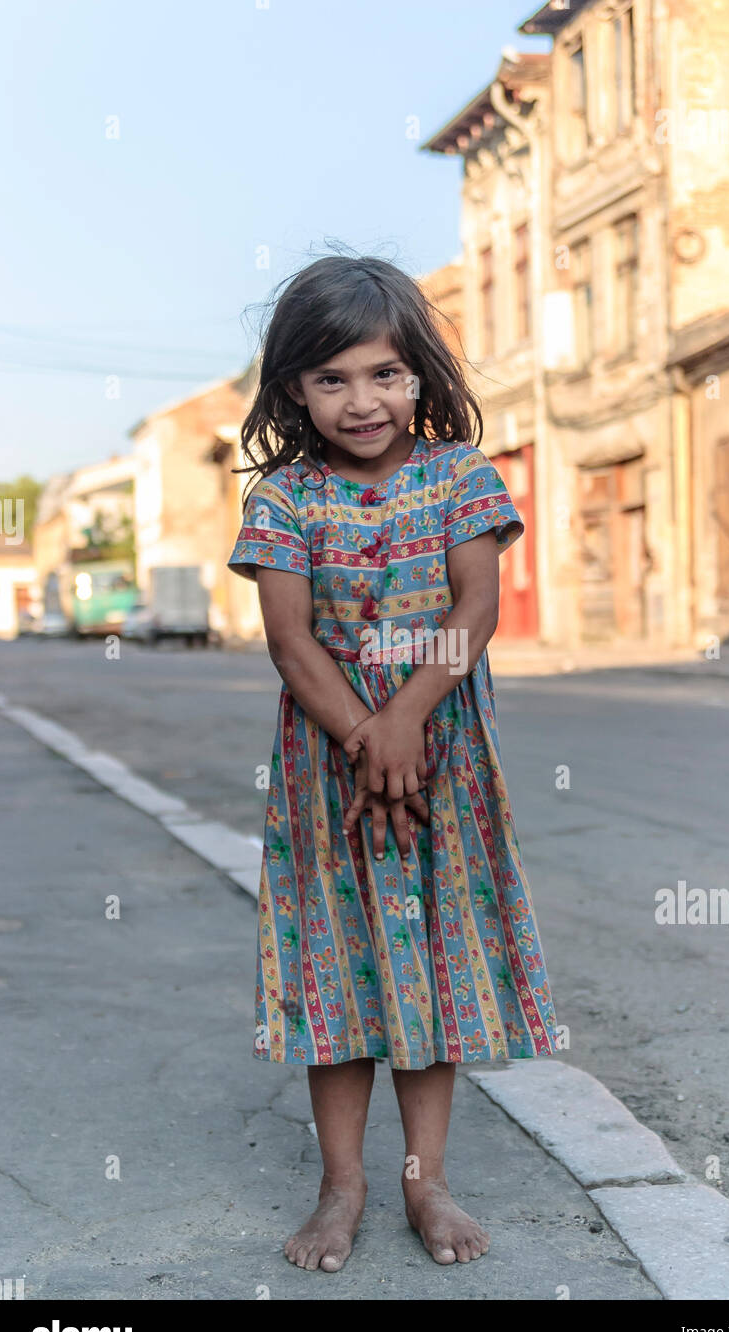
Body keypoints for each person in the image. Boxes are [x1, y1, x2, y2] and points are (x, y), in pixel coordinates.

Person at [227, 251, 561, 1274]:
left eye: (381, 373)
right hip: (330, 773)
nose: (359, 399)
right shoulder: (282, 497)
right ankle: (342, 1185)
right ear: (294, 389)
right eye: (330, 379)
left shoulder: (459, 475)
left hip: (441, 760)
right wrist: (368, 738)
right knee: (337, 973)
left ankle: (426, 1180)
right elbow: (291, 642)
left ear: (418, 372)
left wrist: (410, 717)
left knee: (429, 965)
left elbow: (474, 608)